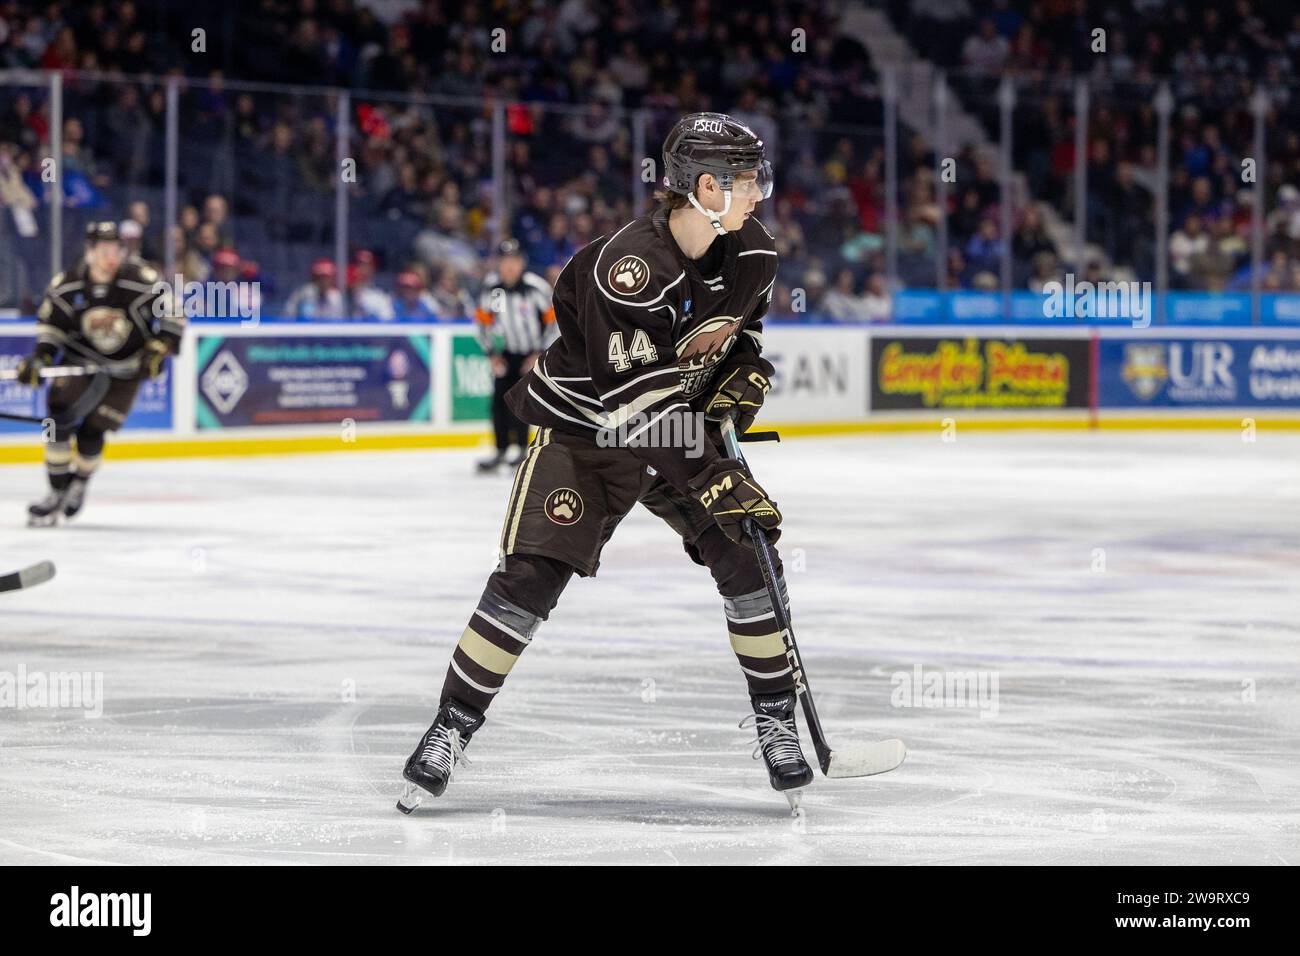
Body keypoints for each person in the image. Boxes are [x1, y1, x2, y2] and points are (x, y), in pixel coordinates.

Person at [398, 113, 806, 813]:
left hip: (674, 424)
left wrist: (743, 377)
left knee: (750, 553)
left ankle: (777, 723)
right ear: (705, 187)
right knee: (532, 574)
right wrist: (716, 474)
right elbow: (638, 412)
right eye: (746, 182)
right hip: (590, 432)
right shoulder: (629, 269)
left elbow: (740, 333)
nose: (759, 195)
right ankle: (451, 726)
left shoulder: (754, 250)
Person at [16, 222, 180, 525]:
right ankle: (56, 492)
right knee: (57, 419)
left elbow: (174, 313)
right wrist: (41, 357)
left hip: (126, 370)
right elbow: (52, 327)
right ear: (89, 252)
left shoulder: (141, 280)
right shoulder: (67, 285)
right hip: (82, 363)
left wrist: (161, 346)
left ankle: (78, 483)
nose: (111, 256)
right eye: (103, 250)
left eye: (116, 249)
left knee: (92, 432)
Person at [473, 239, 557, 471]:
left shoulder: (536, 288)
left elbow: (553, 322)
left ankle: (521, 449)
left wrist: (540, 353)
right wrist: (491, 353)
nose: (510, 266)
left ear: (522, 263)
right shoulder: (494, 289)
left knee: (523, 403)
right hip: (507, 353)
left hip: (532, 354)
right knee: (498, 402)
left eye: (514, 261)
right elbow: (484, 321)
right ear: (499, 263)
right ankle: (500, 450)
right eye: (505, 261)